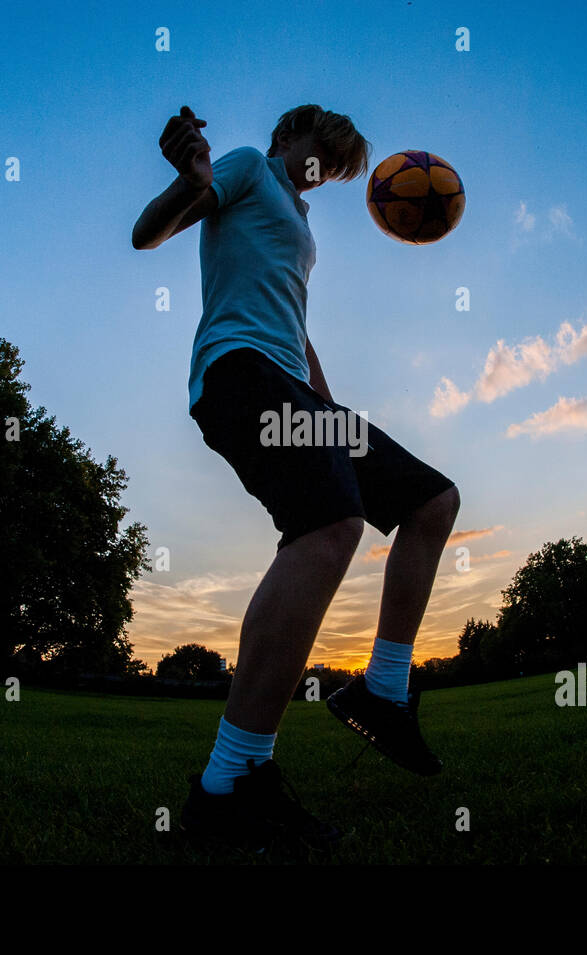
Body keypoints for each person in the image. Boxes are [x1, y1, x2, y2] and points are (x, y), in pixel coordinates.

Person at [132, 104, 460, 850]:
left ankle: (383, 689)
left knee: (431, 500)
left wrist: (331, 404)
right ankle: (229, 785)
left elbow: (292, 318)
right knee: (328, 525)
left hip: (297, 388)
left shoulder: (302, 226)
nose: (330, 171)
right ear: (289, 138)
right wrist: (190, 182)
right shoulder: (249, 167)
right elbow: (147, 233)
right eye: (325, 154)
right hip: (238, 375)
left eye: (342, 168)